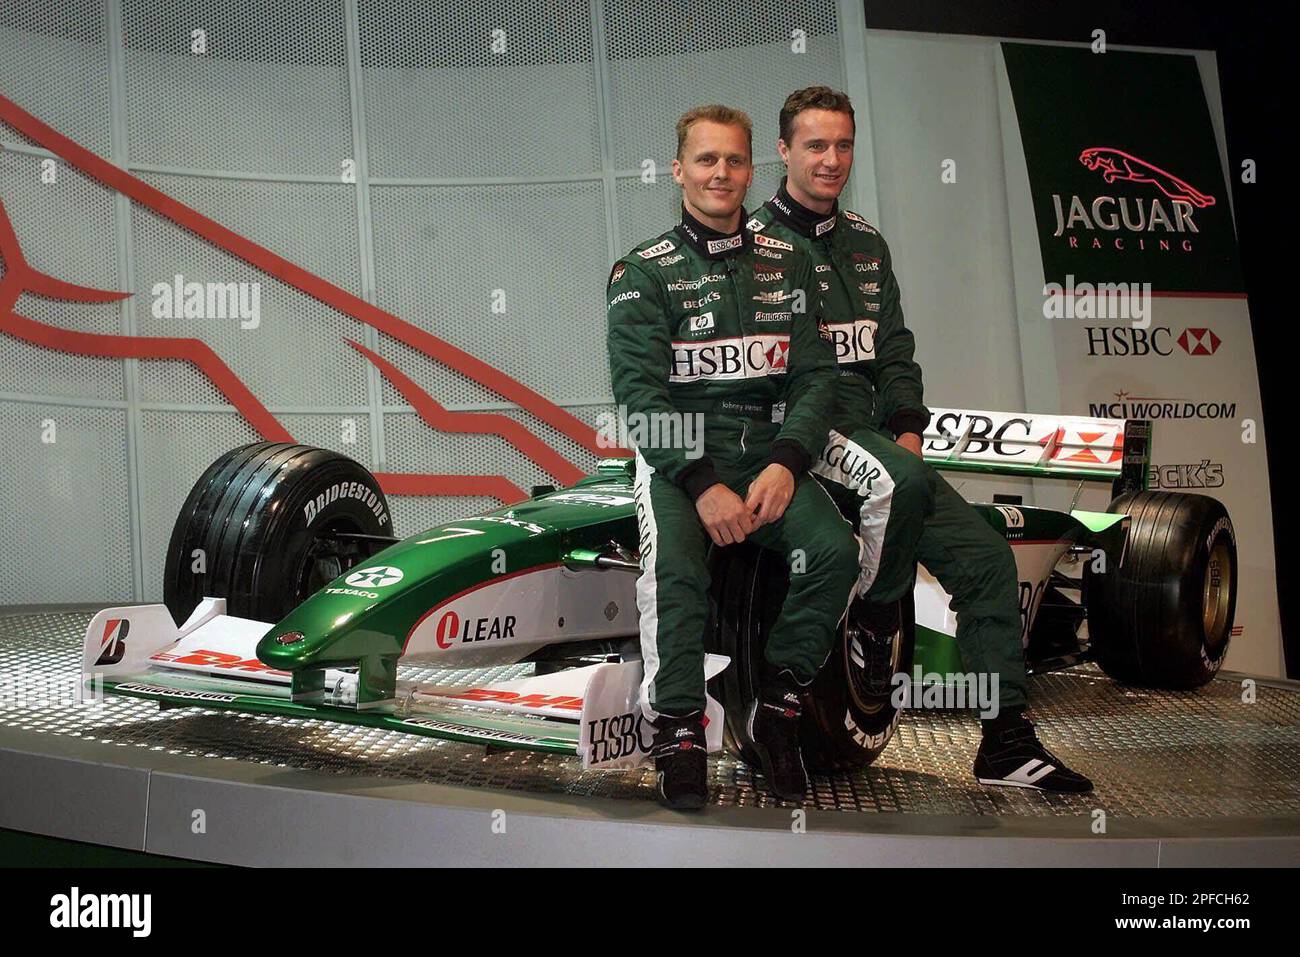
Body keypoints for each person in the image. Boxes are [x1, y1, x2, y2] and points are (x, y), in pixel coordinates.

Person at [748, 86, 1093, 793]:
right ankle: (870, 625)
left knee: (987, 560)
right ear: (782, 151)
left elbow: (896, 351)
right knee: (895, 484)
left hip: (874, 438)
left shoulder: (868, 243)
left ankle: (1005, 743)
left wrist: (907, 426)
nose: (832, 159)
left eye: (843, 145)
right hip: (801, 436)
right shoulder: (753, 251)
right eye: (815, 145)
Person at [606, 105, 860, 809]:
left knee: (835, 553)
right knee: (677, 571)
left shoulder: (791, 260)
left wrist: (786, 461)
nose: (722, 174)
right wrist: (699, 483)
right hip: (680, 460)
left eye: (736, 161)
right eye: (707, 160)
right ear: (678, 169)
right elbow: (639, 396)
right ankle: (680, 729)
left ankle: (775, 709)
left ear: (755, 168)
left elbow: (816, 377)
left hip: (768, 458)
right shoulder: (641, 273)